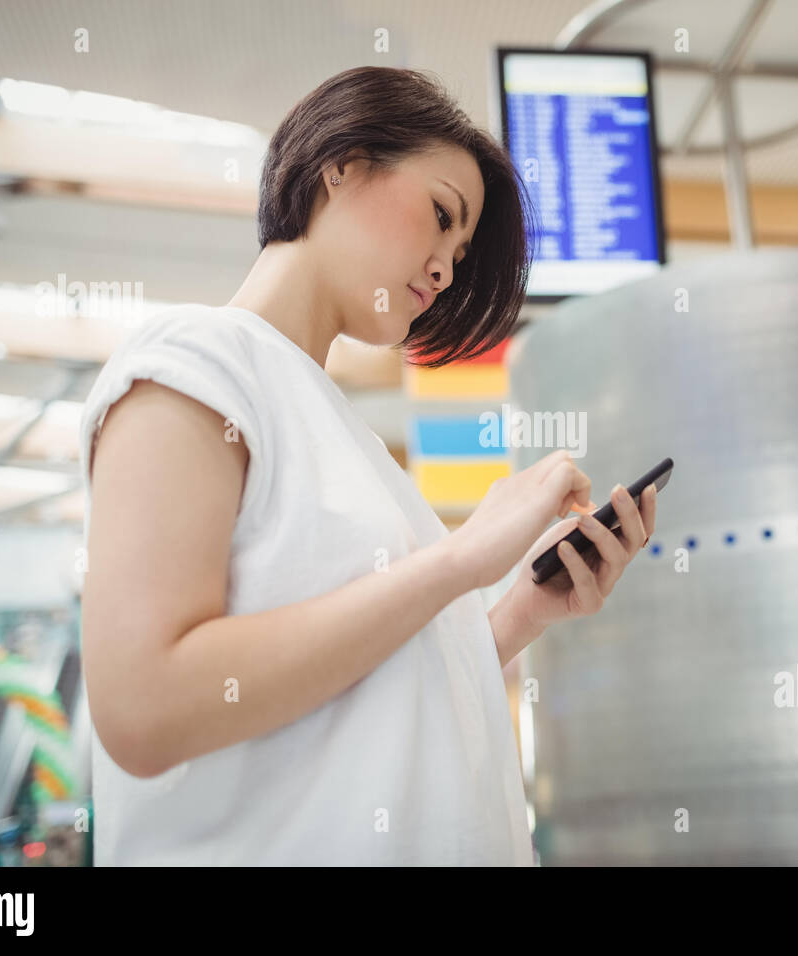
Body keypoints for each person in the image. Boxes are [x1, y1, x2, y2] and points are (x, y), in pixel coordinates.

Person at [79, 66, 658, 865]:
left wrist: (517, 611)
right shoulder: (197, 358)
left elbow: (369, 706)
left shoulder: (348, 440)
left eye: (460, 251)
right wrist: (458, 562)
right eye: (441, 215)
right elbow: (145, 707)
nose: (447, 268)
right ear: (342, 162)